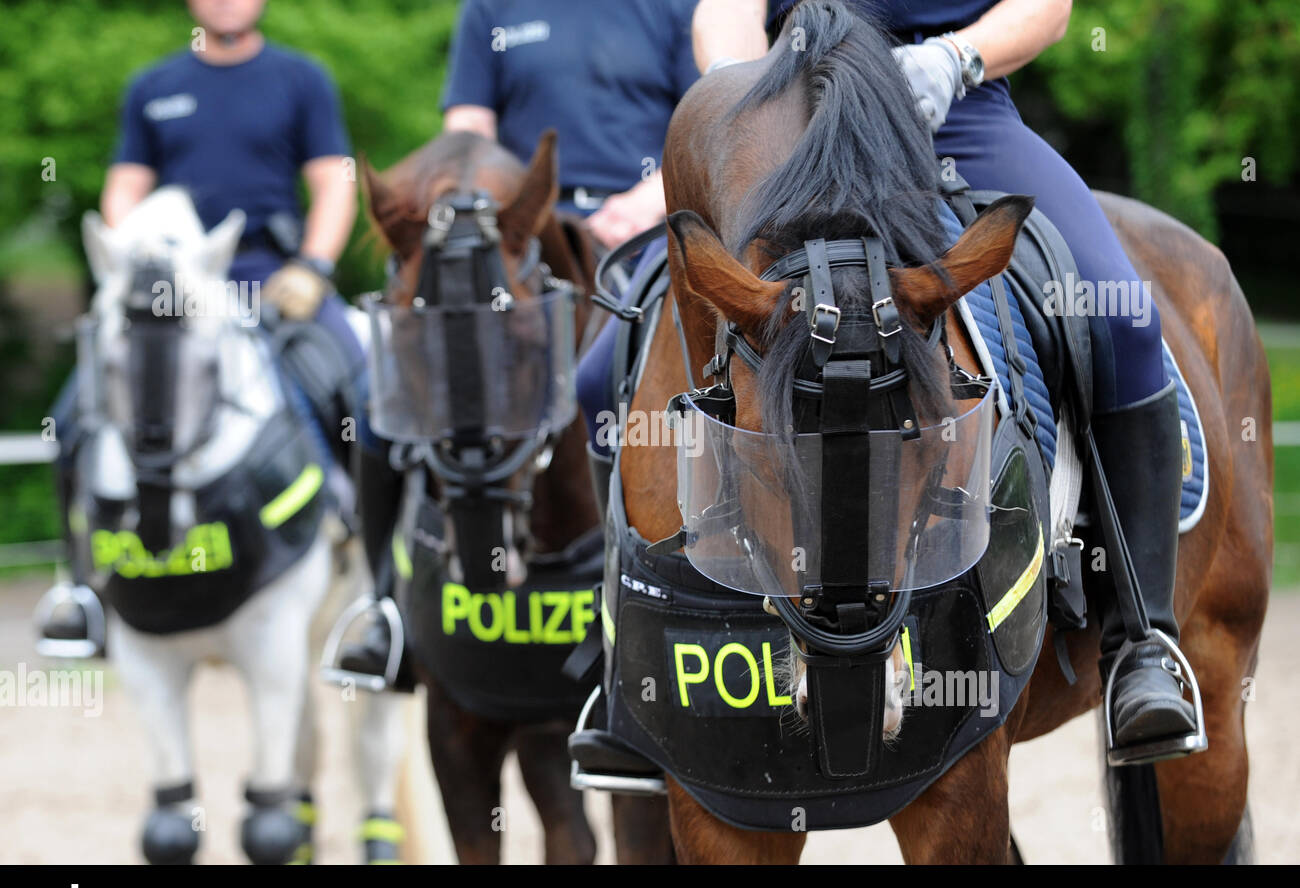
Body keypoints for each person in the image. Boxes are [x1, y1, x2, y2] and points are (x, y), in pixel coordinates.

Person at [579, 0, 1196, 764]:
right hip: (783, 122)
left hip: (951, 111)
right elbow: (729, 12)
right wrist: (741, 91)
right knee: (595, 375)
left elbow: (1047, 7)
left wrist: (955, 58)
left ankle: (1142, 643)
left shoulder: (954, 76)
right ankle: (623, 659)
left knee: (1124, 321)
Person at [335, 0, 701, 684]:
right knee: (382, 390)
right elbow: (467, 134)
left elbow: (700, 120)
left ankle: (688, 599)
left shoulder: (674, 8)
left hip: (638, 231)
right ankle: (385, 606)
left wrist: (642, 203)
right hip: (513, 240)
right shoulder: (491, 9)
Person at [38, 0, 373, 648]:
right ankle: (83, 589)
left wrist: (314, 264)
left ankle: (375, 584)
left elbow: (335, 183)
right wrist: (126, 259)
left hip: (273, 280)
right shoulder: (154, 86)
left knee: (360, 391)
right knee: (74, 414)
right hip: (171, 293)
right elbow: (124, 190)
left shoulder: (301, 78)